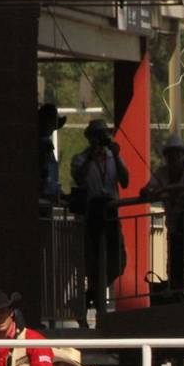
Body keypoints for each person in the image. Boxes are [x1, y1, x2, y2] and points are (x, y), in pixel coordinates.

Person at [141, 135, 184, 303]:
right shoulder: (161, 172)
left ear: (182, 155)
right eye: (170, 154)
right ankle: (179, 301)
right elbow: (147, 190)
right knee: (175, 267)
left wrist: (164, 190)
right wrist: (150, 191)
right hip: (175, 226)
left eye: (177, 154)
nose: (174, 158)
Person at [69, 119, 129, 309]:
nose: (101, 140)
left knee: (118, 260)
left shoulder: (113, 157)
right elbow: (79, 178)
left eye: (103, 136)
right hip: (92, 211)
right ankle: (96, 298)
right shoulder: (81, 158)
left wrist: (116, 155)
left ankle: (91, 296)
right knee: (94, 262)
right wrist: (91, 157)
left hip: (110, 210)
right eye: (97, 136)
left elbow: (126, 181)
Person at [37, 103, 66, 211]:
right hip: (41, 200)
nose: (52, 129)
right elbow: (47, 173)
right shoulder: (43, 144)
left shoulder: (45, 144)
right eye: (51, 125)